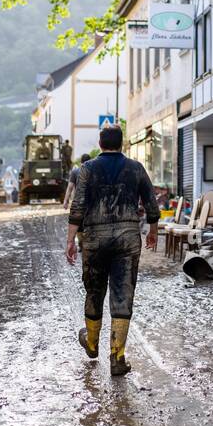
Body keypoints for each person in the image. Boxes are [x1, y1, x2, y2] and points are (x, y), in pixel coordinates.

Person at [67, 126, 159, 376]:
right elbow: (151, 202)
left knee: (94, 290)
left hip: (95, 238)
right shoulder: (135, 168)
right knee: (122, 294)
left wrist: (70, 240)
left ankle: (93, 343)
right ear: (122, 143)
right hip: (128, 238)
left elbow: (78, 206)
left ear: (100, 142)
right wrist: (153, 231)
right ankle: (117, 357)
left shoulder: (87, 169)